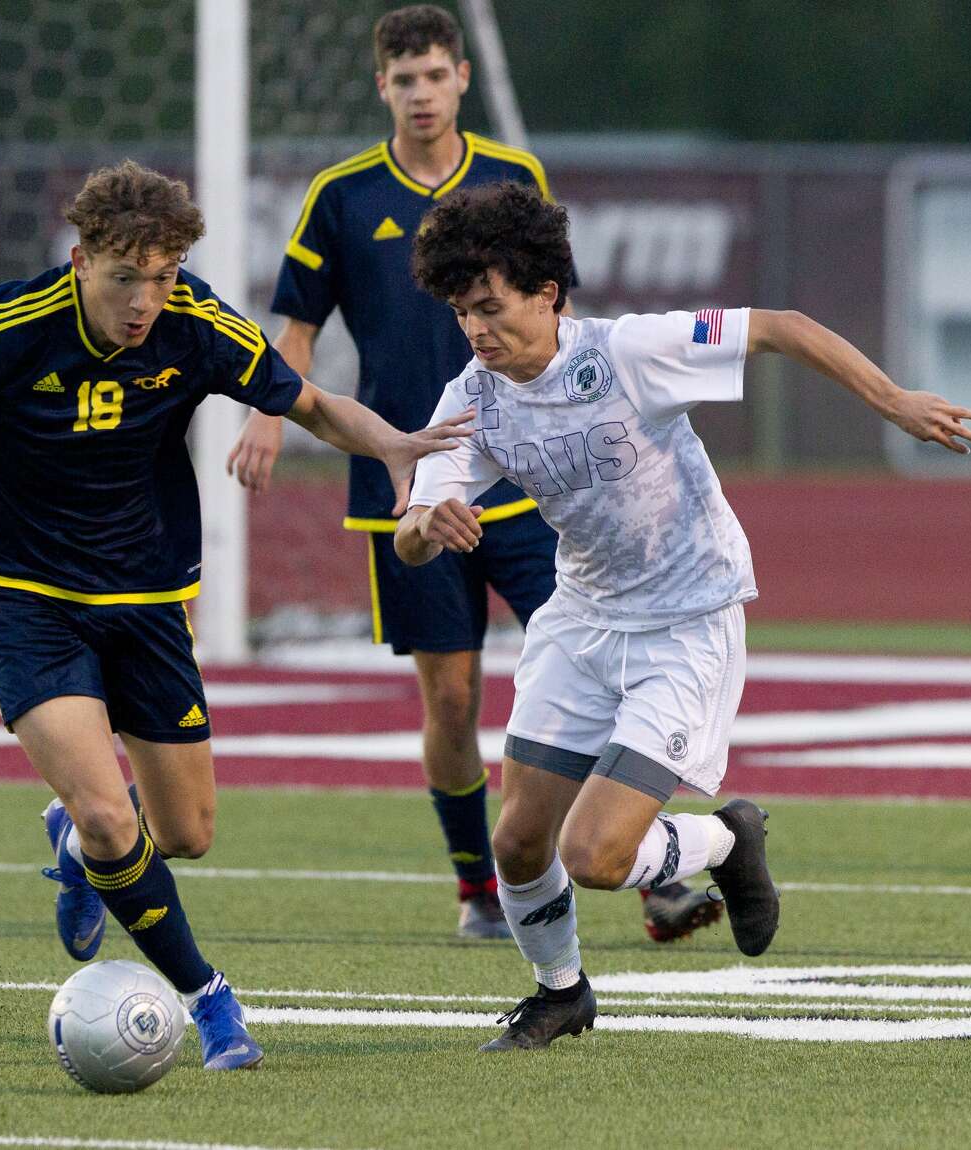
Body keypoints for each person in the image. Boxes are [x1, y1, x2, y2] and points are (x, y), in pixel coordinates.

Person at [0, 159, 472, 1072]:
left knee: (185, 834)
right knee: (114, 816)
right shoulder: (11, 322)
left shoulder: (196, 323)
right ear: (78, 261)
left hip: (147, 595)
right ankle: (209, 998)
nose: (145, 300)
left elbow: (304, 403)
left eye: (165, 276)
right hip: (25, 597)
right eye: (125, 278)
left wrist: (391, 442)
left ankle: (73, 843)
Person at [396, 180, 971, 1050]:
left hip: (688, 621)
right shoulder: (472, 399)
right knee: (519, 845)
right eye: (461, 314)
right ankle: (561, 993)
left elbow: (780, 326)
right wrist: (423, 528)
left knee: (595, 858)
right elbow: (412, 526)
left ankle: (724, 838)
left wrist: (892, 400)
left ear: (548, 292)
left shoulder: (630, 351)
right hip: (583, 620)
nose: (476, 330)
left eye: (490, 307)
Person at [227, 3, 717, 944]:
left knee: (601, 670)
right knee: (451, 697)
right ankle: (477, 888)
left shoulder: (512, 177)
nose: (420, 93)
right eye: (402, 79)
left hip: (531, 476)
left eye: (435, 75)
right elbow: (296, 325)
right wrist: (264, 412)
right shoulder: (340, 194)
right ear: (384, 87)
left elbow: (553, 306)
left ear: (461, 78)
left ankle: (647, 863)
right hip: (409, 486)